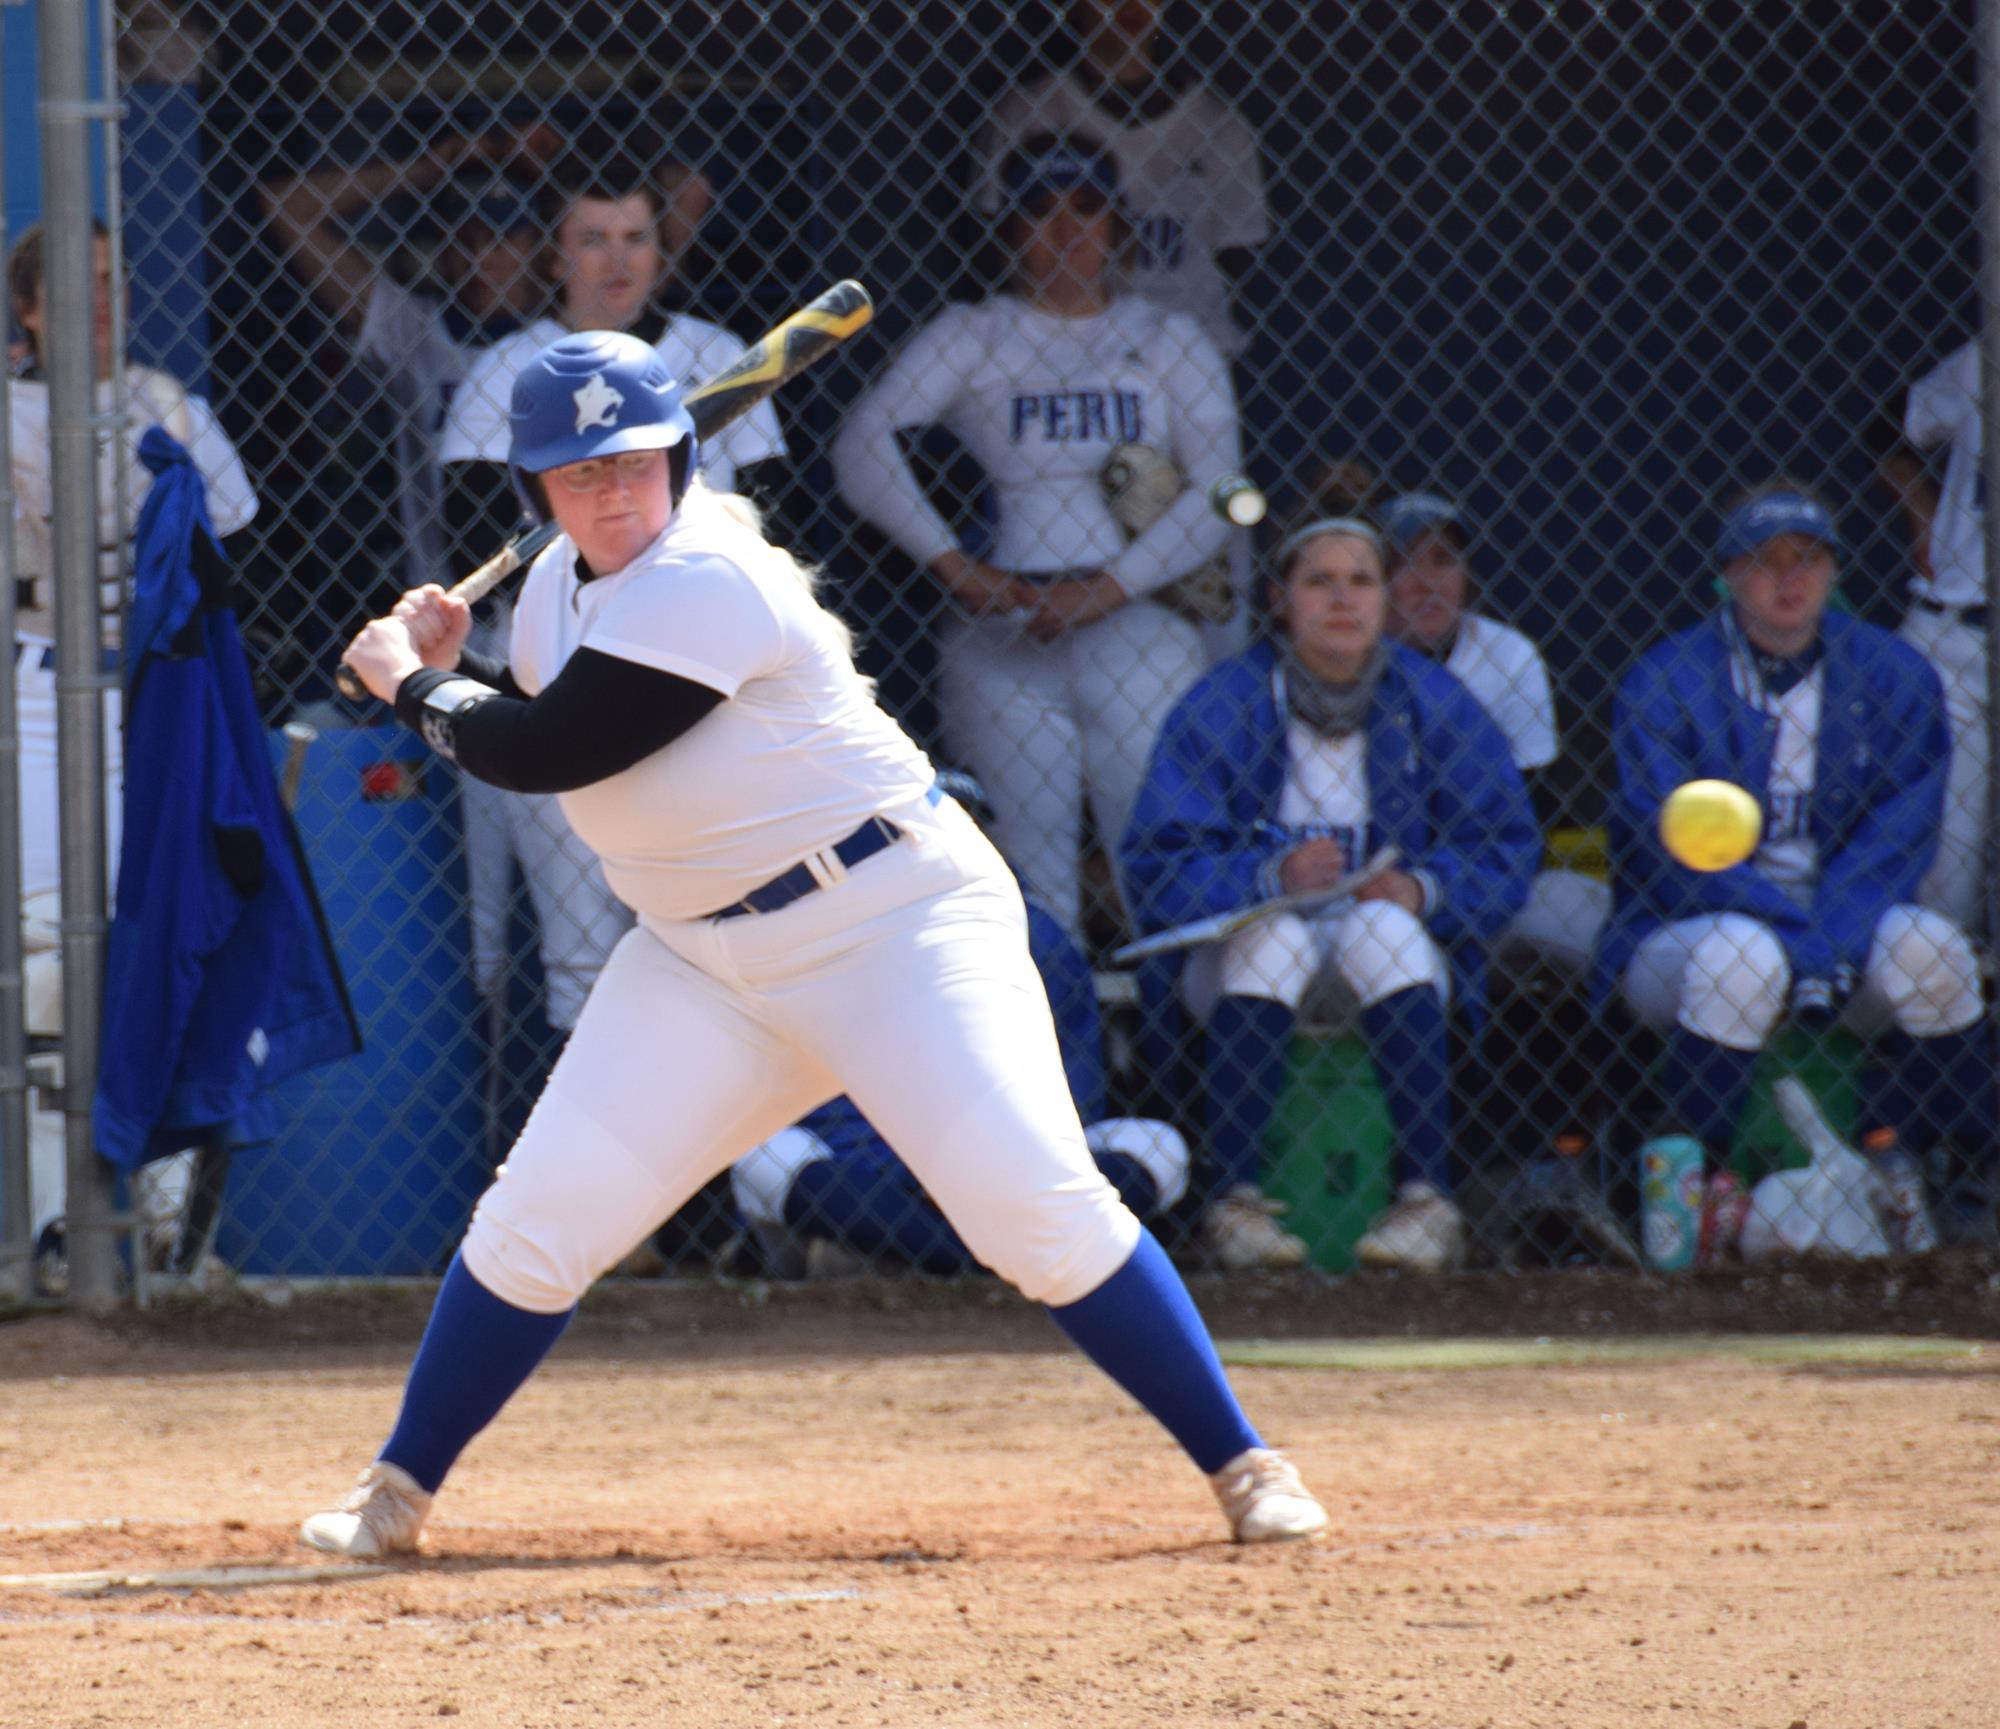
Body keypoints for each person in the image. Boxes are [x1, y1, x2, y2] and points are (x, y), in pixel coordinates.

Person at [303, 330, 1327, 1556]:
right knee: (538, 1217)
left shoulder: (712, 572)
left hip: (889, 922)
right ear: (536, 493)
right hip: (700, 961)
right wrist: (451, 666)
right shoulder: (550, 604)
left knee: (1029, 1209)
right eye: (581, 475)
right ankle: (394, 1494)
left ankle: (1243, 1463)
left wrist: (413, 687)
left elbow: (547, 751)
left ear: (681, 456)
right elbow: (546, 709)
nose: (615, 491)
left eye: (636, 461)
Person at [834, 133, 1242, 938]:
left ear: (1119, 224)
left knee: (1155, 865)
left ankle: (1162, 1053)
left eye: (1086, 208)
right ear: (1009, 228)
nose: (1065, 230)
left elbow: (1224, 490)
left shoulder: (1166, 338)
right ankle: (1061, 1056)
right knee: (1030, 882)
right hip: (1003, 625)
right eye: (1040, 210)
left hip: (1139, 622)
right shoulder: (975, 333)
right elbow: (861, 443)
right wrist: (958, 568)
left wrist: (1111, 586)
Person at [1121, 514, 1539, 1273]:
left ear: (1385, 600)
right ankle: (1236, 1206)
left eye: (1361, 580)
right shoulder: (1226, 701)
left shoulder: (1434, 701)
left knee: (1382, 926)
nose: (1342, 599)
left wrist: (1422, 888)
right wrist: (1268, 877)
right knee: (1274, 932)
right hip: (1246, 958)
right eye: (1320, 580)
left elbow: (1506, 844)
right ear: (1281, 598)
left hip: (1383, 956)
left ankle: (1425, 1204)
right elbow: (1157, 860)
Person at [439, 148, 773, 1055]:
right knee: (581, 946)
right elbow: (481, 537)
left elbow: (779, 533)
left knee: (712, 925)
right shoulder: (506, 368)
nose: (616, 260)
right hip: (554, 667)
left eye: (635, 237)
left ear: (665, 249)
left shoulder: (710, 353)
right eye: (591, 239)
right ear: (553, 256)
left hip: (700, 680)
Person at [1604, 484, 1988, 1262]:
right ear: (1725, 575)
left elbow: (1898, 838)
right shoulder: (1667, 680)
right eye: (1764, 560)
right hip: (1685, 935)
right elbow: (1667, 857)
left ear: (1835, 570)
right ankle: (1695, 1196)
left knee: (1936, 950)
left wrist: (1828, 942)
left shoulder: (1893, 675)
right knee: (1740, 958)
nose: (1789, 579)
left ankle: (1979, 1180)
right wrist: (1797, 941)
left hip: (1844, 932)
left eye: (1807, 558)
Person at [7, 219, 259, 1266]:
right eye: (74, 287)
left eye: (112, 281)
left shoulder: (169, 405)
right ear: (28, 310)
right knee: (41, 960)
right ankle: (57, 1230)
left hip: (154, 696)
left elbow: (231, 553)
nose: (100, 302)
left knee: (168, 941)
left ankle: (167, 1237)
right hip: (32, 691)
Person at [733, 780, 1188, 1276]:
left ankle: (913, 1254)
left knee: (1160, 1148)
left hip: (1003, 1176)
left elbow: (1071, 1099)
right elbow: (814, 1106)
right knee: (765, 1158)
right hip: (869, 1178)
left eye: (956, 823)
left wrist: (977, 1171)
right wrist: (914, 1172)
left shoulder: (1035, 935)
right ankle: (976, 1260)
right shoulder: (817, 932)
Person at [973, 0, 1269, 360]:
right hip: (1057, 356)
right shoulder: (1024, 113)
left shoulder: (1220, 126)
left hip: (1185, 357)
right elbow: (989, 248)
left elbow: (1239, 258)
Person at [1877, 340, 1989, 938]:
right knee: (1943, 869)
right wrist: (1922, 518)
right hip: (1954, 633)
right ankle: (1934, 1021)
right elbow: (1887, 427)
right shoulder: (1988, 352)